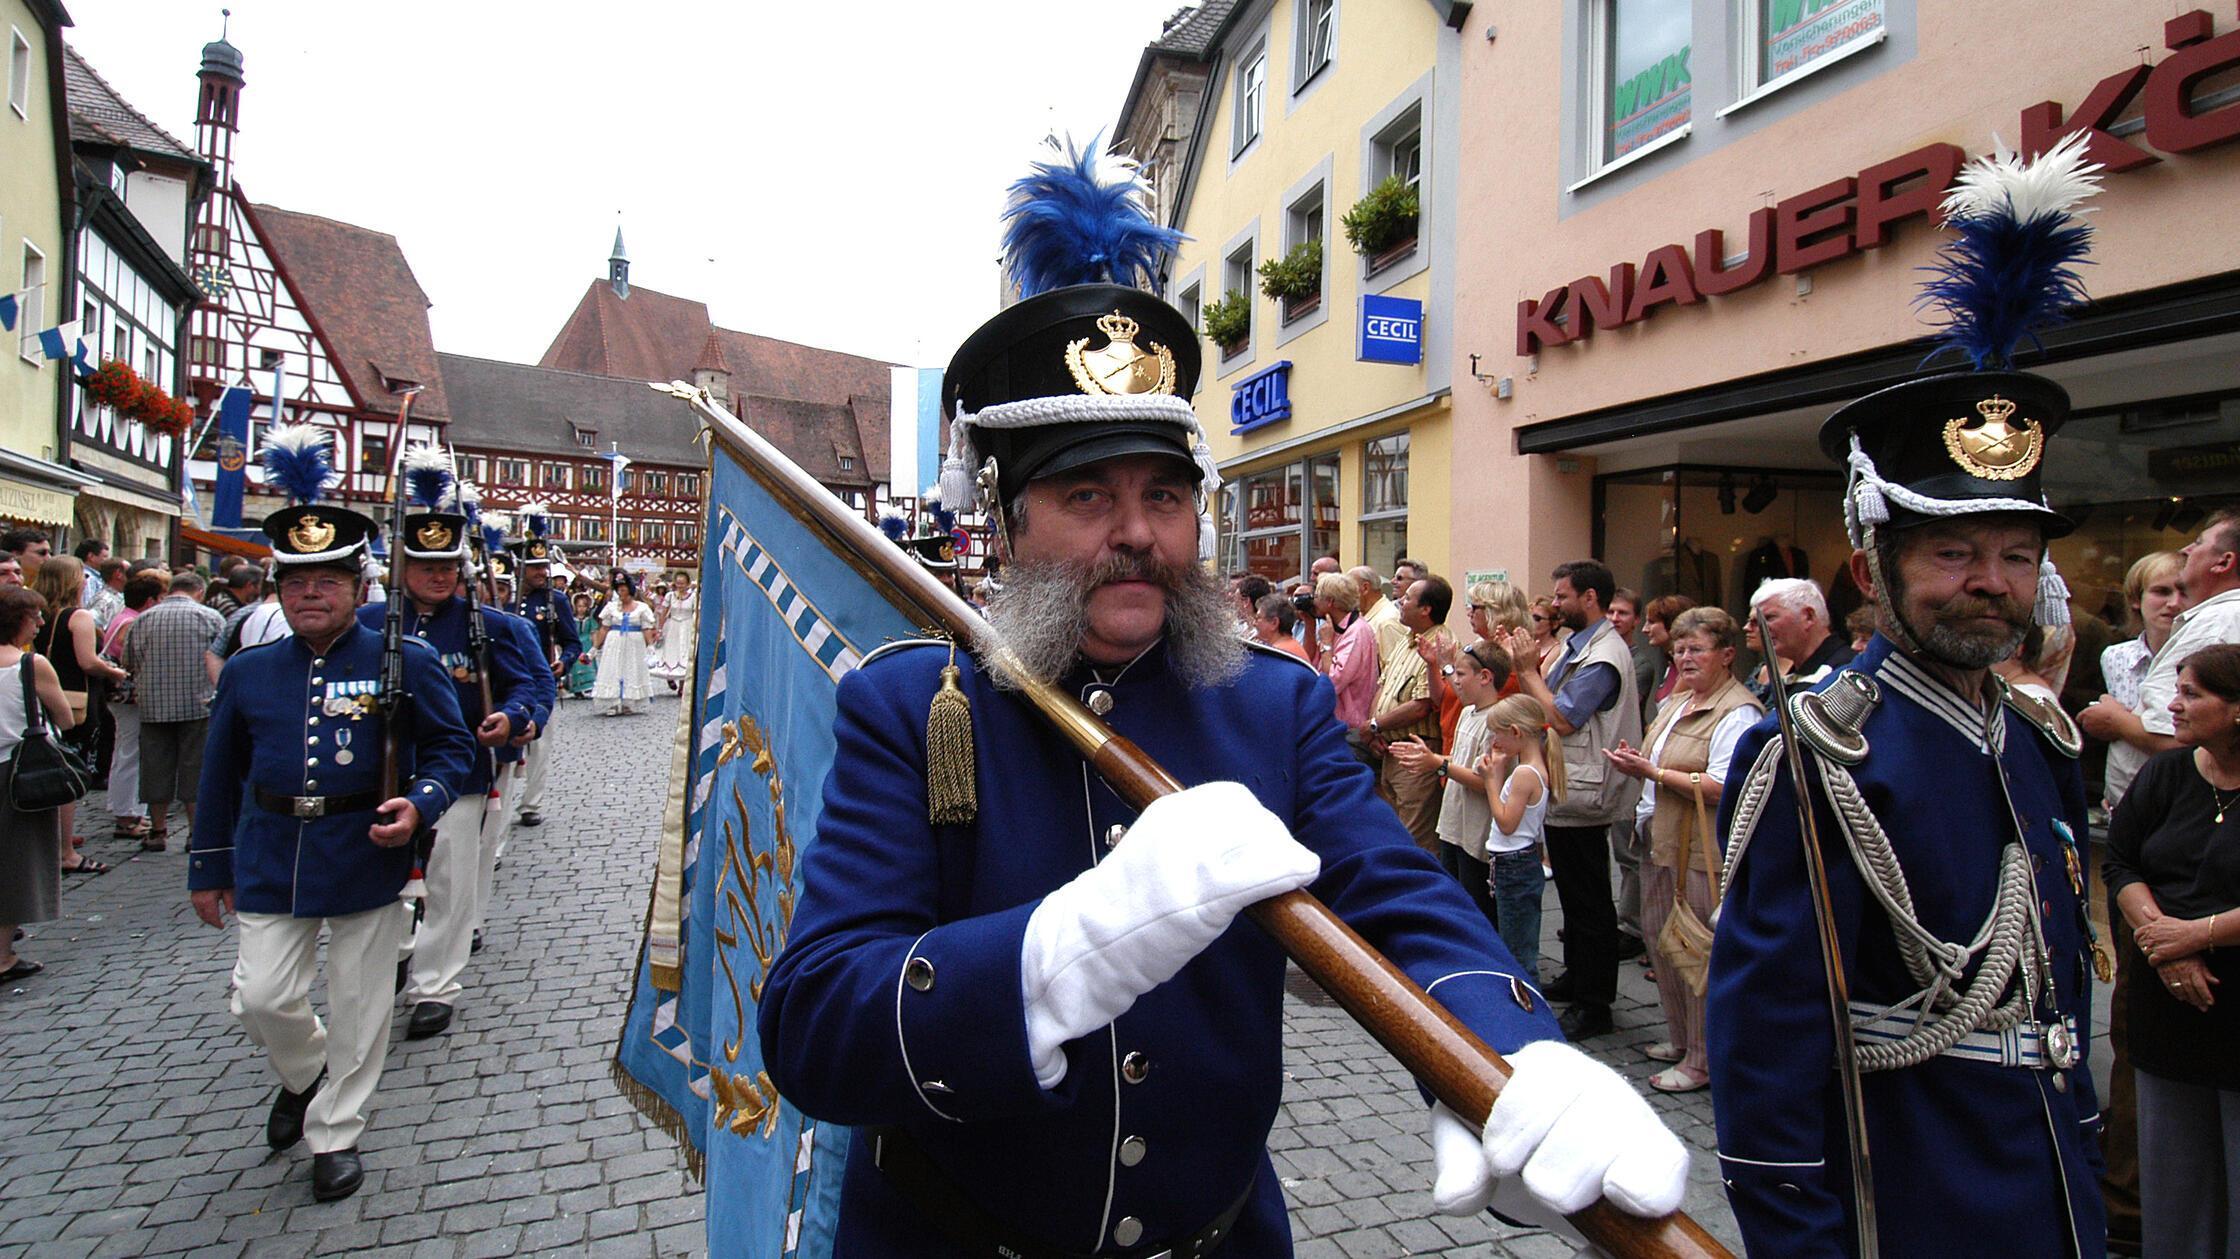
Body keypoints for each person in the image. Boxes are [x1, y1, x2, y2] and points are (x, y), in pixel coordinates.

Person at [758, 163, 1685, 1255]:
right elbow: (813, 1021)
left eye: (1163, 494)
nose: (1138, 531)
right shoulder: (912, 705)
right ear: (1005, 520)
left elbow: (1401, 904)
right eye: (1086, 494)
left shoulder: (1271, 702)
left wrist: (1505, 1054)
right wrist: (1050, 960)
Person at [1710, 368, 2107, 1253]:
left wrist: (2079, 1157)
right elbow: (1764, 1049)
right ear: (1870, 569)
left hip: (2049, 1189)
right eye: (1954, 554)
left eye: (2015, 555)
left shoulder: (2039, 741)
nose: (1992, 582)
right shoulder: (1820, 755)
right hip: (1911, 1189)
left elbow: (2056, 984)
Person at [190, 490, 473, 1203]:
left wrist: (423, 801)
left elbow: (450, 747)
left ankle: (337, 1130)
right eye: (295, 582)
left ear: (357, 586)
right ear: (278, 589)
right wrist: (209, 864)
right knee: (260, 995)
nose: (309, 594)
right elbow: (219, 772)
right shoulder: (251, 671)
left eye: (326, 581)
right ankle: (303, 1071)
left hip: (364, 851)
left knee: (359, 1002)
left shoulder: (402, 658)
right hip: (271, 854)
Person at [354, 452, 546, 1042]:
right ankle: (398, 954)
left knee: (450, 877)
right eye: (424, 565)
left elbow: (531, 687)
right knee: (385, 878)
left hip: (460, 769)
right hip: (381, 774)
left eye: (447, 566)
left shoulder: (491, 626)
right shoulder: (368, 622)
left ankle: (436, 984)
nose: (438, 576)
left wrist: (512, 719)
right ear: (401, 566)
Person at [2101, 643, 2240, 1257]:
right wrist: (2163, 941)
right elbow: (2122, 861)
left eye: (2191, 695)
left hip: (2234, 1008)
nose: (2174, 707)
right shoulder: (2167, 774)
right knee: (2174, 1183)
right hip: (2168, 1004)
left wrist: (2197, 935)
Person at [1602, 607, 1761, 1093]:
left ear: (1727, 655)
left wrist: (1652, 774)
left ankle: (1702, 1060)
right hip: (1660, 839)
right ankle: (1679, 1039)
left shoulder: (1739, 712)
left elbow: (1722, 784)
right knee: (1660, 941)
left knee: (1695, 951)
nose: (1685, 658)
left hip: (1700, 852)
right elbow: (1661, 756)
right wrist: (1638, 761)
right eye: (1680, 650)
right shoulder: (1679, 700)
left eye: (1697, 649)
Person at [1505, 559, 1643, 1040]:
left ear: (1590, 598)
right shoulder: (1581, 646)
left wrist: (1528, 670)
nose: (1555, 603)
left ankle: (1595, 1002)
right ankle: (1578, 976)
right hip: (1571, 787)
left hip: (1586, 791)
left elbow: (1563, 718)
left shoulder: (1603, 656)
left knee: (1588, 902)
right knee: (1573, 894)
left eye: (1562, 596)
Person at [2085, 511, 2240, 810]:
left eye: (2198, 543)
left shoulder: (2217, 622)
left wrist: (2115, 720)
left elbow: (2179, 735)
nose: (2186, 551)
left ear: (2224, 562)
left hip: (2175, 813)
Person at [1389, 639, 1511, 932]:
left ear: (1485, 677)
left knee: (1477, 910)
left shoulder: (1498, 721)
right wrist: (1431, 759)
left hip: (1477, 833)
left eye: (1460, 674)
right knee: (1455, 900)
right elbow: (1460, 760)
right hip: (1454, 826)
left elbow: (1486, 780)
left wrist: (1438, 764)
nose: (1453, 681)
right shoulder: (1469, 712)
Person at [0, 586, 79, 982]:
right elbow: (65, 719)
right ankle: (2, 956)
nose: (42, 623)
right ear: (22, 621)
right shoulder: (31, 664)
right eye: (37, 617)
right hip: (17, 771)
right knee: (16, 861)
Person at [31, 556, 129, 868]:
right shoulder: (79, 616)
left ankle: (46, 841)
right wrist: (114, 673)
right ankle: (65, 851)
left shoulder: (38, 613)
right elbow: (87, 661)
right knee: (68, 775)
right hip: (75, 700)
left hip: (39, 695)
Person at [121, 570, 223, 852]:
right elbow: (222, 658)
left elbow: (128, 661)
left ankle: (157, 830)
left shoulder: (143, 619)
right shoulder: (210, 617)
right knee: (196, 769)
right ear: (199, 591)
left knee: (155, 767)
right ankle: (194, 833)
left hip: (153, 705)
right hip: (198, 704)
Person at [1475, 692, 1563, 981]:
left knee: (1517, 951)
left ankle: (1526, 1007)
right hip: (1517, 862)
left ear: (1515, 732)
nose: (1495, 742)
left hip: (1514, 865)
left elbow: (1506, 822)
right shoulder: (1533, 769)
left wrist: (1491, 781)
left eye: (1497, 735)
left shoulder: (1525, 774)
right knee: (1516, 940)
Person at [1365, 576, 1452, 852]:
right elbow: (1383, 685)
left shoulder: (1439, 644)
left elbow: (1423, 704)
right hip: (1390, 750)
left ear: (1426, 609)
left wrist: (1376, 725)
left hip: (1417, 754)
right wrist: (1373, 727)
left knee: (1416, 842)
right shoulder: (1407, 639)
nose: (1399, 602)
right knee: (1393, 835)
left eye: (1407, 599)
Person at [508, 524, 575, 827]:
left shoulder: (555, 600)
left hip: (541, 681)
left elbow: (571, 641)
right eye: (534, 566)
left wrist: (566, 663)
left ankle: (530, 804)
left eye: (543, 566)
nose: (541, 572)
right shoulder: (504, 599)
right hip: (507, 681)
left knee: (540, 745)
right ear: (519, 567)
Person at [100, 573, 165, 843]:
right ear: (150, 600)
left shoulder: (122, 616)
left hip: (121, 697)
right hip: (128, 697)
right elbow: (133, 660)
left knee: (126, 750)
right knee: (130, 752)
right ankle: (126, 815)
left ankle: (127, 811)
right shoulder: (132, 622)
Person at [1313, 571, 1377, 737]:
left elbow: (1333, 681)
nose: (1313, 601)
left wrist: (1326, 645)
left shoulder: (1356, 632)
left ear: (1330, 602)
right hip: (1335, 723)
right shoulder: (1336, 627)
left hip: (1348, 727)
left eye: (1317, 596)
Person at [592, 574, 655, 716]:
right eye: (619, 590)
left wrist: (650, 646)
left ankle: (628, 701)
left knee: (632, 668)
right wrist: (595, 647)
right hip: (615, 641)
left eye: (624, 590)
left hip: (634, 642)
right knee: (613, 668)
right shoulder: (611, 607)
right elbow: (603, 628)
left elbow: (646, 628)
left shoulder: (642, 608)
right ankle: (613, 701)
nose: (621, 593)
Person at [1640, 594, 1695, 710]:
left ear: (1672, 623)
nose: (1645, 629)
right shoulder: (1671, 666)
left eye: (1652, 622)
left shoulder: (1690, 669)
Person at [650, 572, 696, 692]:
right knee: (671, 651)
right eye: (678, 583)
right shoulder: (670, 596)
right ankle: (669, 676)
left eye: (683, 583)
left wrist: (696, 628)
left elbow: (696, 613)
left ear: (688, 584)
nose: (680, 586)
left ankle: (682, 686)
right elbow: (663, 613)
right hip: (673, 626)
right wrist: (659, 629)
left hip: (687, 625)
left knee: (684, 653)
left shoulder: (693, 597)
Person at [1250, 592, 1310, 661]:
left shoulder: (1278, 654)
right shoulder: (1288, 647)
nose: (1254, 623)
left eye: (1258, 618)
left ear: (1274, 623)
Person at [566, 592, 598, 698]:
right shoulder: (571, 620)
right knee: (576, 665)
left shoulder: (589, 620)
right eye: (579, 606)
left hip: (587, 644)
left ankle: (589, 685)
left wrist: (595, 646)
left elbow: (593, 632)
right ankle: (577, 687)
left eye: (584, 606)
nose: (581, 609)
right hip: (576, 644)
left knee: (587, 664)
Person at [73, 538, 108, 607]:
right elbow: (88, 605)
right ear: (91, 556)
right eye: (104, 557)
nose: (107, 560)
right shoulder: (88, 578)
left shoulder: (94, 577)